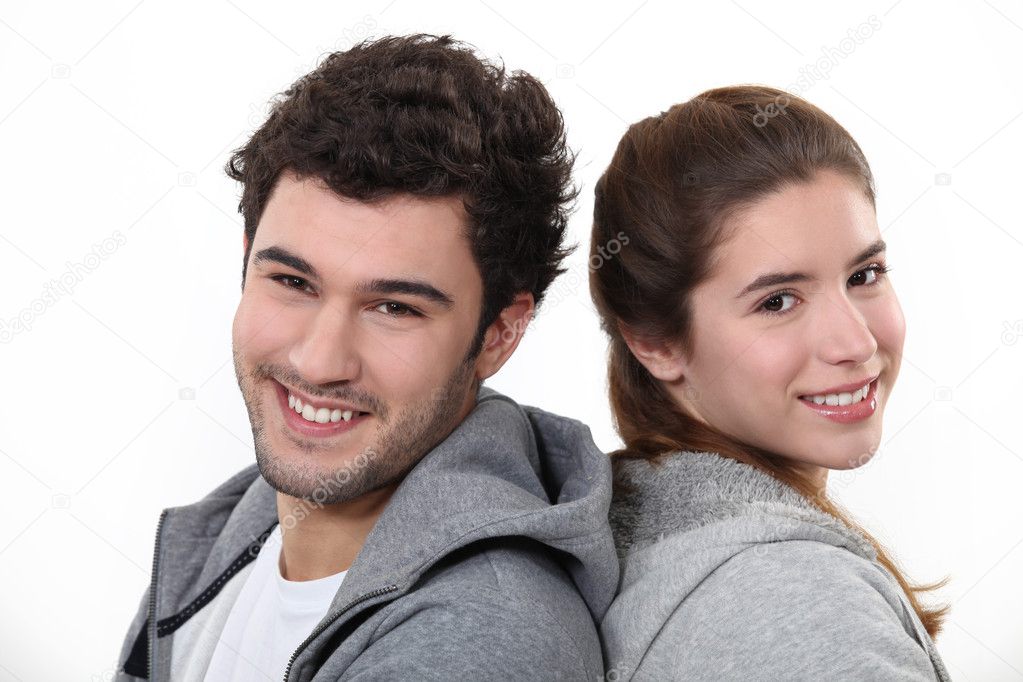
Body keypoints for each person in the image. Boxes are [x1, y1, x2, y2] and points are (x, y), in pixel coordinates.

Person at [114, 34, 618, 681]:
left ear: (499, 333)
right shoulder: (221, 542)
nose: (319, 362)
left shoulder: (479, 642)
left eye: (394, 308)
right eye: (292, 282)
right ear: (246, 258)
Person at [590, 85, 951, 680]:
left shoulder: (647, 527)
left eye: (864, 275)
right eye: (778, 301)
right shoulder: (795, 602)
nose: (857, 343)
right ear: (655, 343)